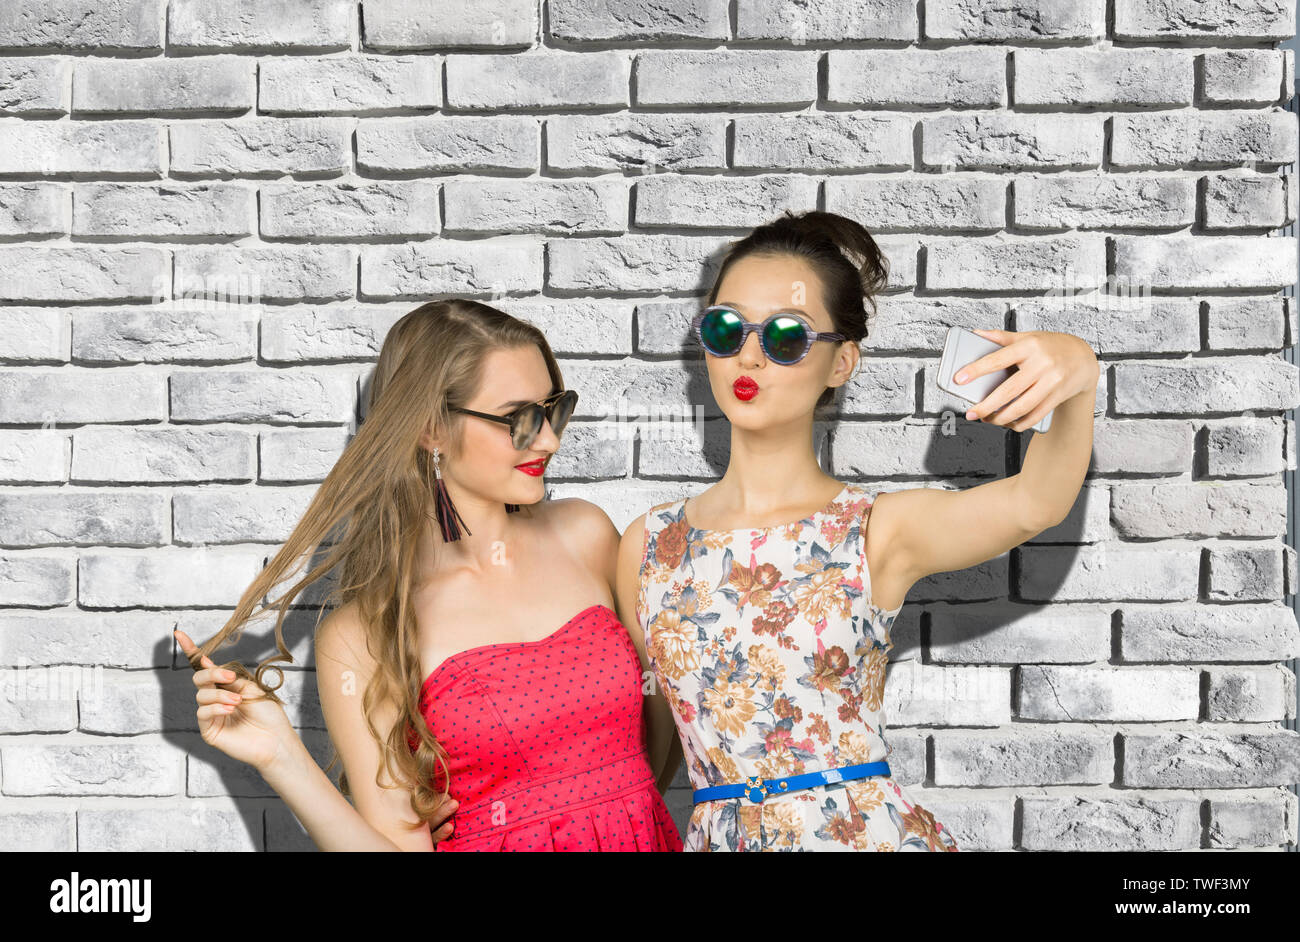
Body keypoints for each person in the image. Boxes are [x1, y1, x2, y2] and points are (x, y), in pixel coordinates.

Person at [619, 210, 1099, 851]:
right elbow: (650, 755)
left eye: (787, 336)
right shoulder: (649, 544)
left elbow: (1036, 502)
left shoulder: (875, 528)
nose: (751, 355)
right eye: (726, 328)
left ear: (841, 362)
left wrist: (1078, 369)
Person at [176, 299, 683, 852]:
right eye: (519, 419)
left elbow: (657, 748)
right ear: (430, 429)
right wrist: (280, 754)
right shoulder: (365, 635)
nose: (548, 441)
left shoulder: (588, 536)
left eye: (552, 409)